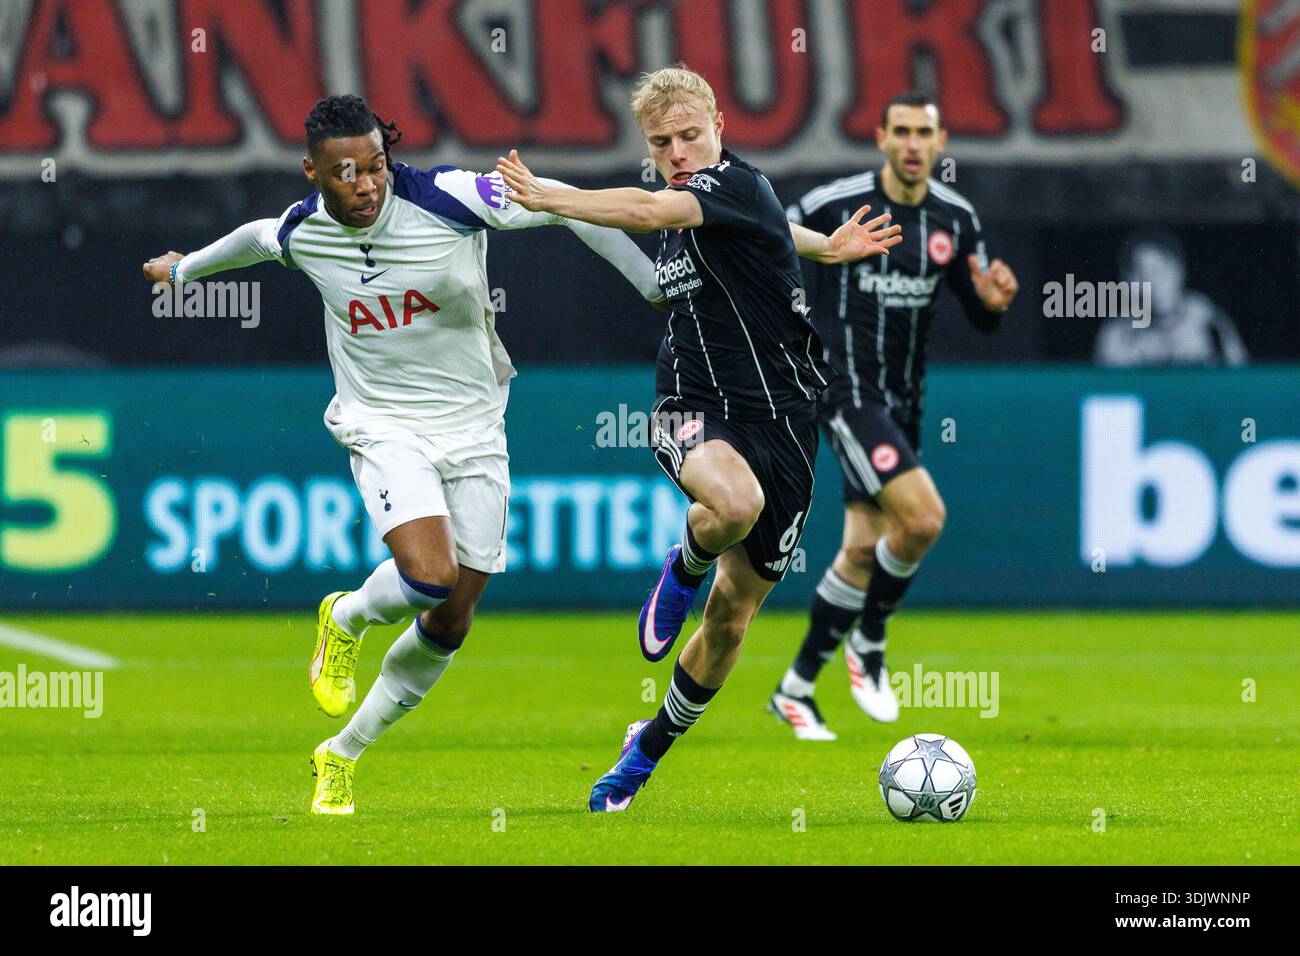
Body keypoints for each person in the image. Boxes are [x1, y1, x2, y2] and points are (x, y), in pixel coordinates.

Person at [142, 94, 664, 815]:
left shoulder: (452, 198)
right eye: (345, 172)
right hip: (382, 424)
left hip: (477, 428)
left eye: (375, 166)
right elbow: (254, 239)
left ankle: (341, 754)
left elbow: (570, 206)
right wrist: (182, 271)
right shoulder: (307, 230)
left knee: (452, 619)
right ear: (313, 173)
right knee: (429, 575)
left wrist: (650, 282)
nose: (364, 185)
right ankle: (347, 618)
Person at [495, 66, 902, 811]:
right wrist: (825, 246)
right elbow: (685, 217)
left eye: (689, 134)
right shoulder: (695, 206)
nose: (677, 151)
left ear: (719, 125)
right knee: (734, 504)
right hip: (692, 403)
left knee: (733, 620)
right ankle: (684, 568)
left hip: (787, 419)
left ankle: (643, 752)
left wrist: (553, 196)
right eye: (661, 142)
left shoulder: (734, 187)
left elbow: (663, 212)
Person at [773, 90, 1018, 740]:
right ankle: (871, 642)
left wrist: (992, 303)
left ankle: (795, 688)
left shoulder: (957, 219)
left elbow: (980, 313)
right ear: (880, 137)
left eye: (924, 133)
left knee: (860, 550)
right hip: (846, 394)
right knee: (924, 519)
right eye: (901, 131)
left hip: (905, 401)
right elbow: (767, 236)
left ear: (941, 145)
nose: (913, 144)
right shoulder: (835, 203)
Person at [1094, 228, 1246, 367]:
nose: (1152, 282)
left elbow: (1238, 383)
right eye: (1141, 274)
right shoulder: (1117, 333)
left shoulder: (1209, 323)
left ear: (1179, 271)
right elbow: (1104, 389)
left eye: (1159, 270)